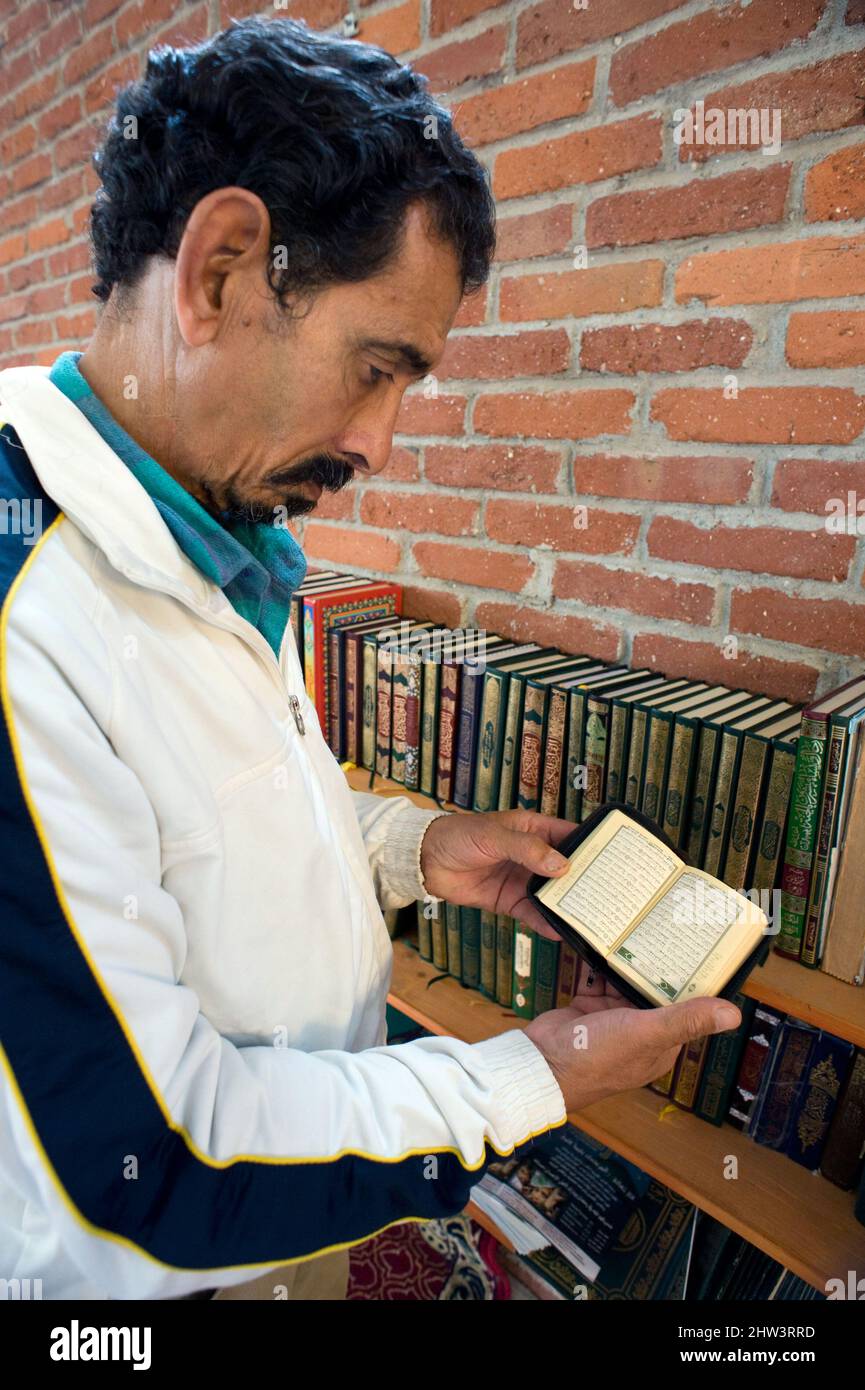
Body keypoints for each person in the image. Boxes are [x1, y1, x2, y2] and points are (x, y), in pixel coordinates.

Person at [0, 17, 740, 1301]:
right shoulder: (26, 613)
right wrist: (533, 1075)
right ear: (222, 270)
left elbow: (169, 830)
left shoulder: (202, 510)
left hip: (295, 1209)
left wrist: (403, 847)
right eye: (376, 365)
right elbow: (138, 1174)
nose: (384, 441)